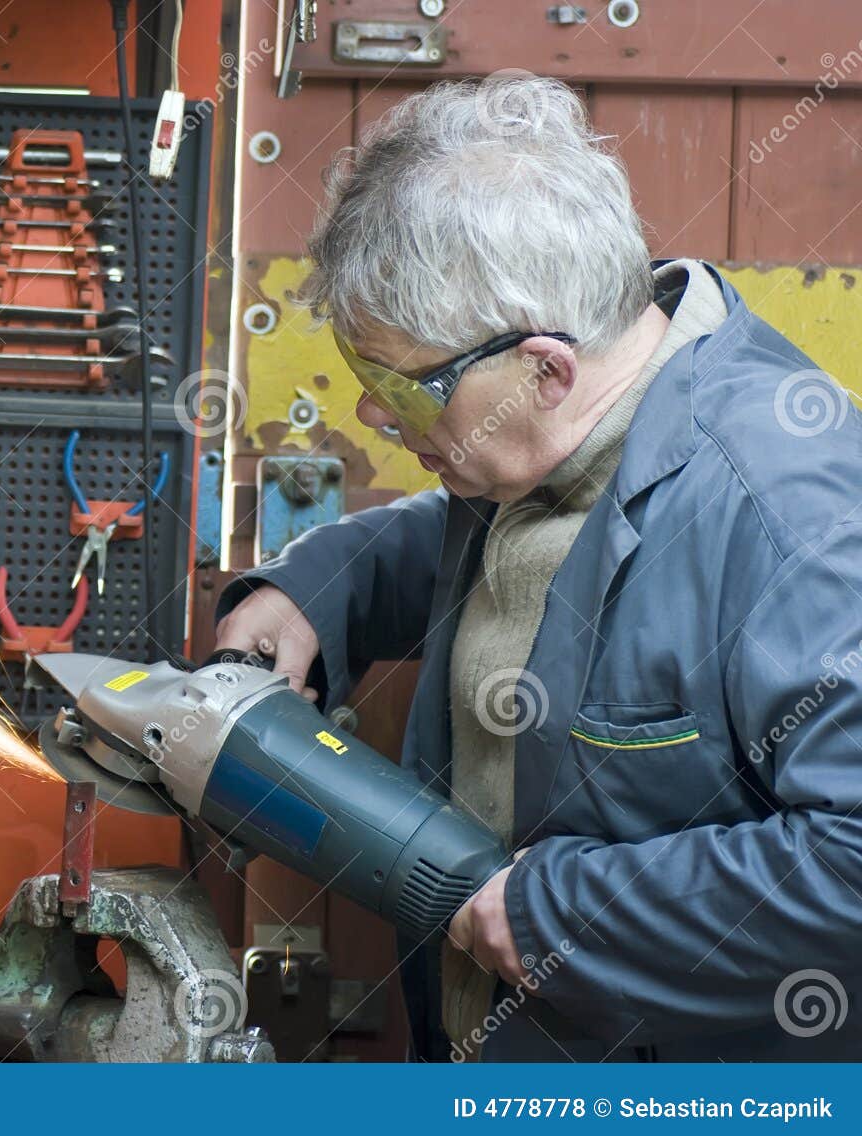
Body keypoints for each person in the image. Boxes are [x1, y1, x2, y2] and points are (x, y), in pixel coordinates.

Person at [216, 75, 862, 1060]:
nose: (373, 416)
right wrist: (318, 586)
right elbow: (507, 542)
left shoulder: (789, 510)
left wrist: (563, 916)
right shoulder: (561, 428)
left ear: (545, 369)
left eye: (398, 387)